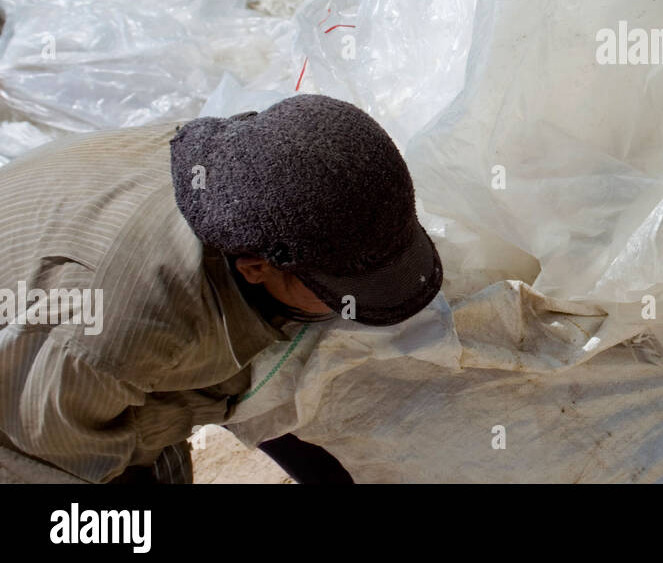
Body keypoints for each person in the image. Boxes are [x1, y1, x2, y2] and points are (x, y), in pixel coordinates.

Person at [0, 94, 442, 484]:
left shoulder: (249, 165)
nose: (344, 308)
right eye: (337, 291)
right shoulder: (120, 331)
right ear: (255, 268)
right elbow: (62, 451)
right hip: (26, 404)